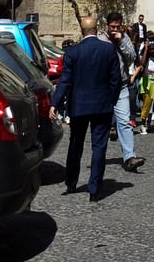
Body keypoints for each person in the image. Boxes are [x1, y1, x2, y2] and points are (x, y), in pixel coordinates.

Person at [49, 17, 122, 202]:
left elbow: (65, 80)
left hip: (79, 105)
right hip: (102, 105)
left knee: (76, 144)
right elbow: (116, 80)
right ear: (96, 29)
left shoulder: (73, 52)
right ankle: (94, 188)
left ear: (82, 31)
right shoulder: (108, 49)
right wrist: (111, 100)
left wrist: (55, 103)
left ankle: (71, 181)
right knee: (99, 147)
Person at [96, 12, 145, 173]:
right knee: (101, 123)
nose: (115, 30)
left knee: (124, 121)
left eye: (117, 27)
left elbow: (132, 58)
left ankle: (130, 157)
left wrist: (121, 42)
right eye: (112, 27)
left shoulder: (125, 38)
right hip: (103, 87)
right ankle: (98, 156)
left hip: (121, 86)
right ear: (107, 25)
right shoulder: (100, 39)